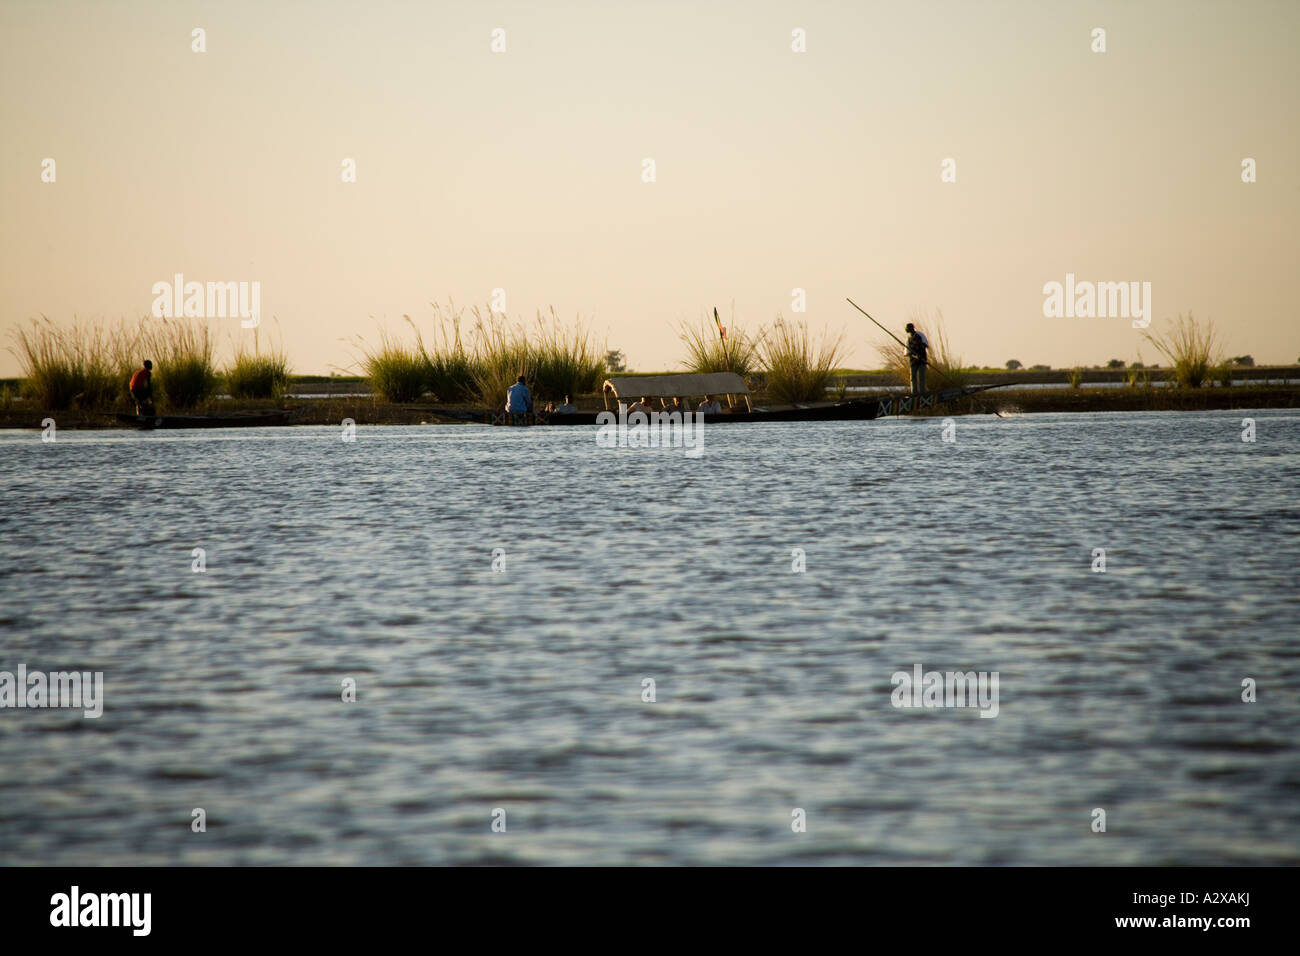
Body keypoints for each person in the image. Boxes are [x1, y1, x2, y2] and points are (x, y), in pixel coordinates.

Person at [905, 323, 929, 396]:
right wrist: (913, 355)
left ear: (912, 328)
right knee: (913, 378)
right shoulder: (908, 339)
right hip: (913, 361)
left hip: (922, 360)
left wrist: (919, 353)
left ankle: (922, 392)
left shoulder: (920, 335)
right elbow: (906, 352)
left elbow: (925, 345)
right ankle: (914, 393)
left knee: (921, 377)